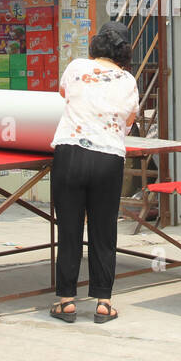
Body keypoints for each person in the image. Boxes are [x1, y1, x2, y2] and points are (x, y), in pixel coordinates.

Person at [49, 21, 139, 325]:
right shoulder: (128, 80)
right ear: (124, 51)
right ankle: (103, 303)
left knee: (69, 229)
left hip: (70, 152)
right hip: (108, 158)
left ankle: (66, 302)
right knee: (104, 231)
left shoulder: (75, 67)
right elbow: (129, 121)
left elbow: (64, 96)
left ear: (96, 44)